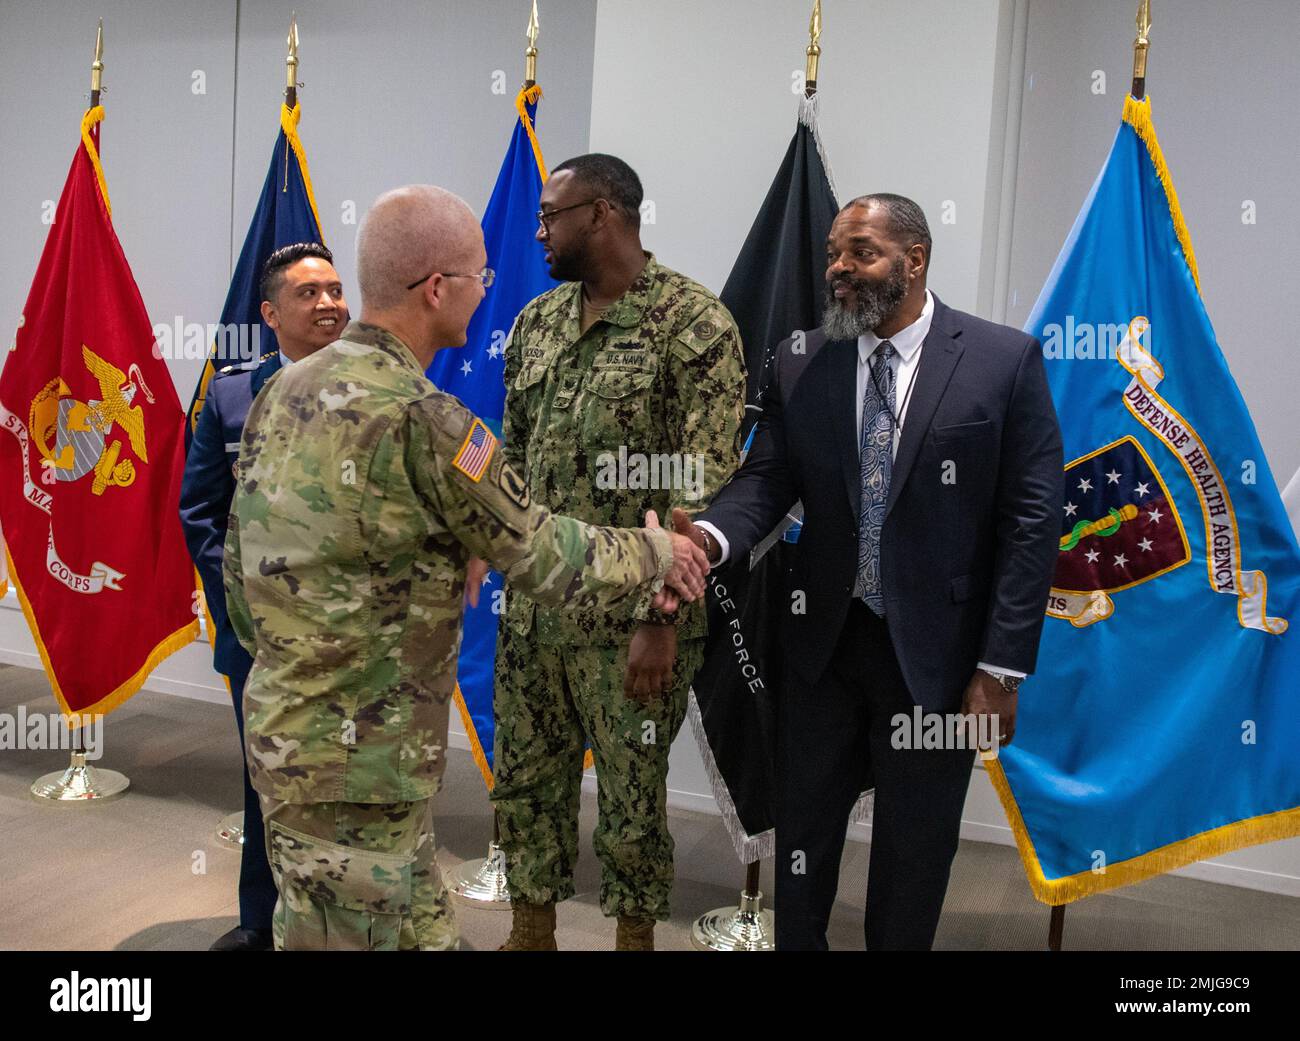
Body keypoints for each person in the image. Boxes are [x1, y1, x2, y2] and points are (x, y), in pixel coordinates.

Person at [221, 184, 710, 951]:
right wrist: (661, 550)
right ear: (438, 287)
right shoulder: (429, 419)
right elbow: (545, 553)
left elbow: (240, 576)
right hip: (363, 771)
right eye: (480, 275)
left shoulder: (284, 389)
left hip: (296, 743)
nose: (490, 290)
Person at [682, 193, 1064, 950]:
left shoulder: (1001, 360)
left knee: (913, 853)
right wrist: (706, 537)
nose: (838, 270)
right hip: (822, 648)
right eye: (832, 253)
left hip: (941, 660)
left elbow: (1032, 522)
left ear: (914, 261)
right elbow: (766, 480)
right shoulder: (803, 358)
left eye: (860, 252)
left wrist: (1002, 667)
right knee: (805, 840)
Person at [491, 154, 746, 951]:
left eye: (551, 215)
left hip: (633, 626)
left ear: (602, 215)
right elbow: (514, 461)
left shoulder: (693, 325)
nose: (539, 231)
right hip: (536, 616)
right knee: (527, 789)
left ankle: (634, 940)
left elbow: (701, 488)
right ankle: (530, 935)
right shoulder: (537, 322)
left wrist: (660, 616)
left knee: (633, 807)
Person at [179, 242, 348, 951]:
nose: (330, 303)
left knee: (347, 782)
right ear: (272, 312)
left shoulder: (376, 391)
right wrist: (248, 610)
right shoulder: (229, 394)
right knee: (265, 779)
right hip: (260, 637)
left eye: (337, 289)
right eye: (310, 294)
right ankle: (260, 919)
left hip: (350, 635)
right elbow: (201, 514)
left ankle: (345, 921)